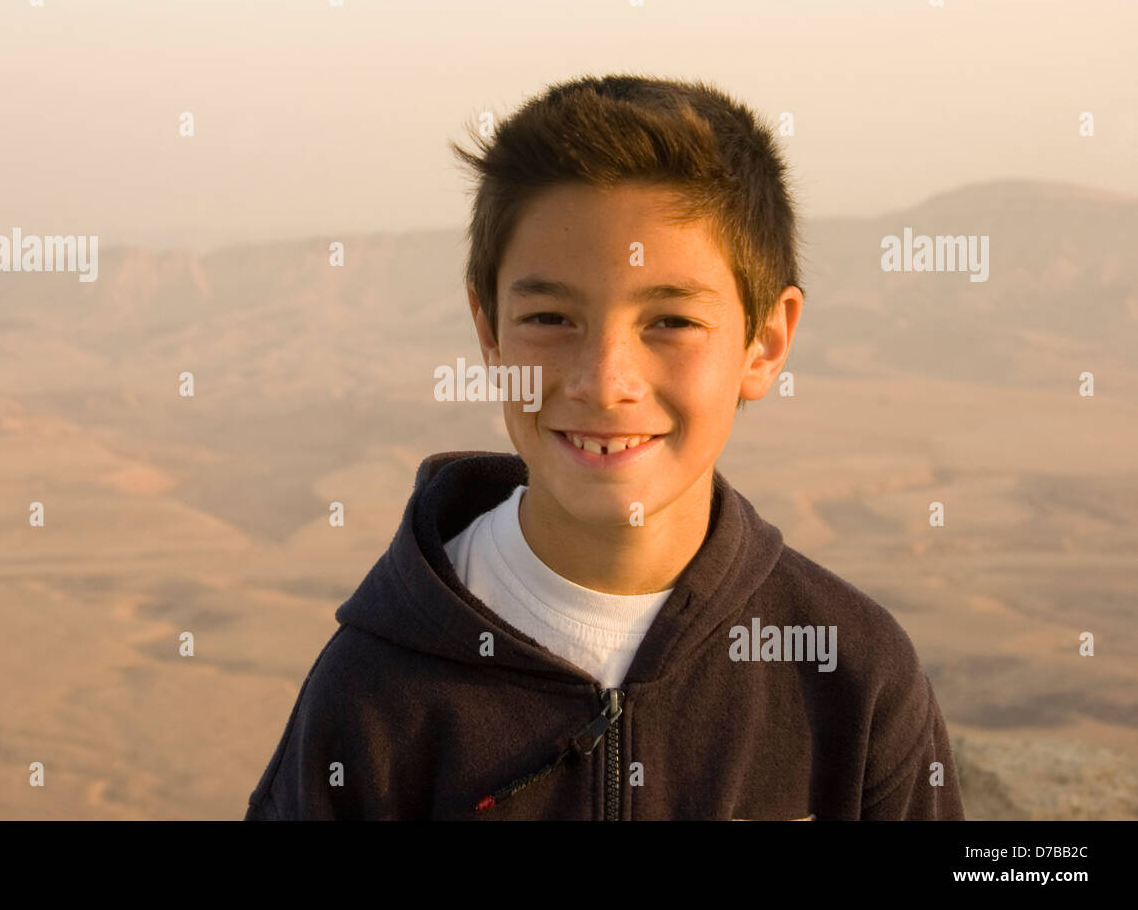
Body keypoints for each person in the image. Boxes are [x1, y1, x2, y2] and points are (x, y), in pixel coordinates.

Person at [244, 73, 964, 820]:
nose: (604, 382)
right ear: (488, 330)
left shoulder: (849, 674)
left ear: (765, 342)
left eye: (671, 323)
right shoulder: (374, 690)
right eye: (551, 318)